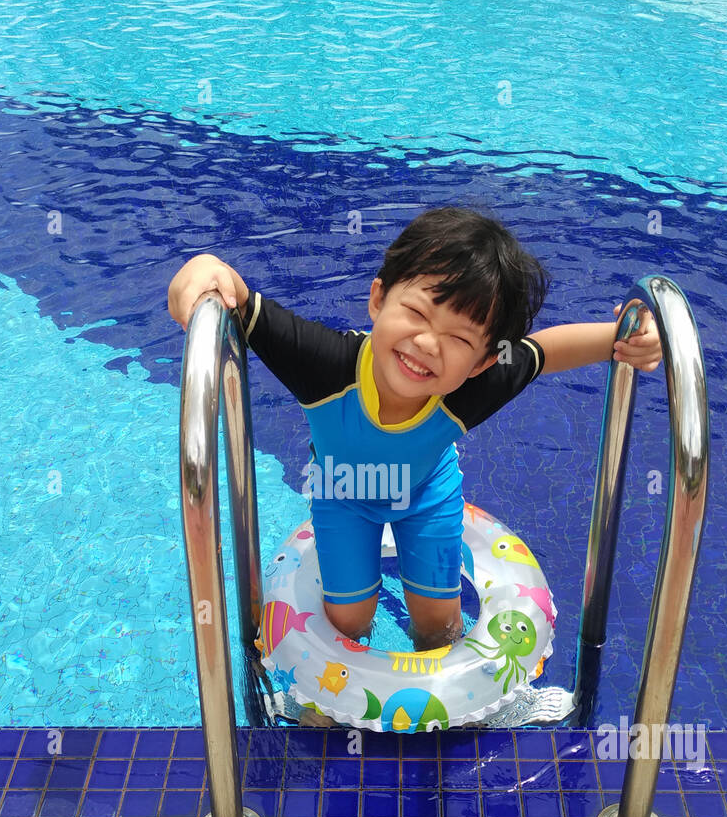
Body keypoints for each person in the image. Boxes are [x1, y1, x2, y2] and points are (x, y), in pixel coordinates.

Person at [168, 206, 662, 653]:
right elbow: (242, 304)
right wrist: (201, 271)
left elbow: (543, 351)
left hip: (427, 493)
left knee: (438, 622)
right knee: (349, 623)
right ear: (378, 299)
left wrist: (622, 339)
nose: (427, 342)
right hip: (345, 497)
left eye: (458, 338)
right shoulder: (323, 364)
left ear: (482, 362)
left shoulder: (474, 387)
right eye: (417, 313)